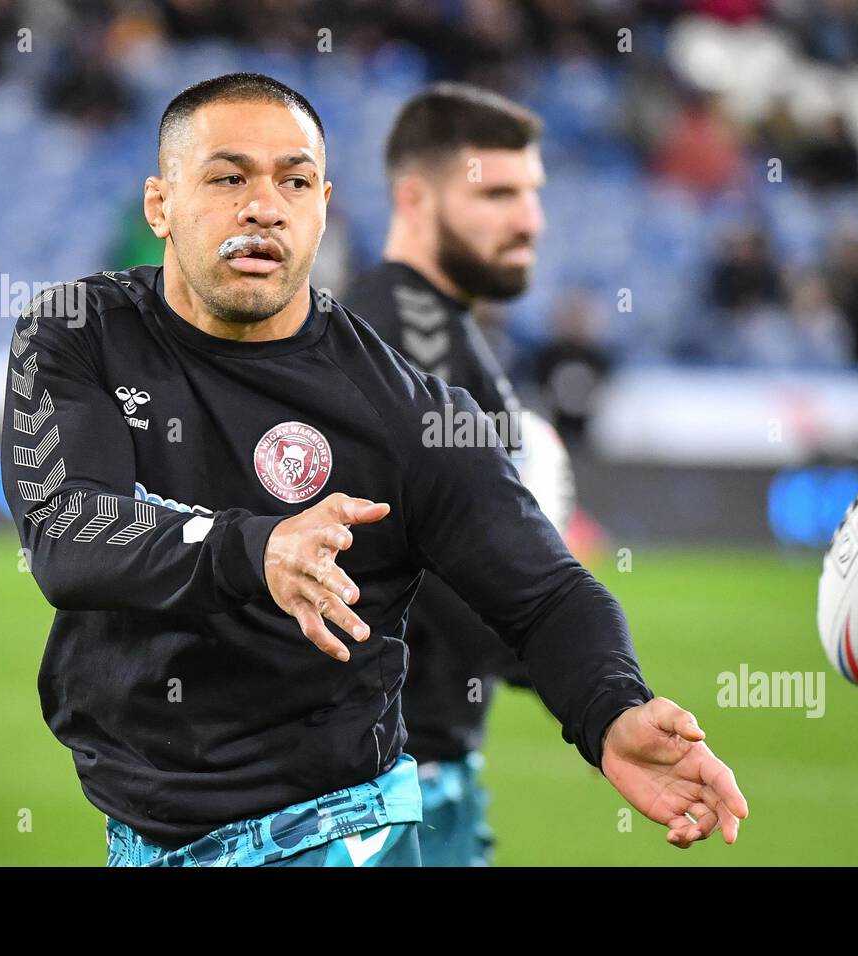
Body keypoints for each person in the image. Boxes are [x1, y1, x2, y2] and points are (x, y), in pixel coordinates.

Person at [0, 72, 747, 867]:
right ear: (159, 205)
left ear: (323, 206)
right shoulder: (80, 331)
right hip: (144, 838)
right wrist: (257, 550)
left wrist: (612, 708)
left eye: (293, 181)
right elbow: (67, 528)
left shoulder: (408, 409)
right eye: (227, 178)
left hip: (334, 834)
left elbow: (547, 594)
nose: (263, 206)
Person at [342, 83, 554, 866]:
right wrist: (579, 672)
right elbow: (451, 559)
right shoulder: (406, 338)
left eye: (531, 193)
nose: (528, 219)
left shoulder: (436, 326)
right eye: (497, 193)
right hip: (385, 789)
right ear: (414, 199)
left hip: (426, 768)